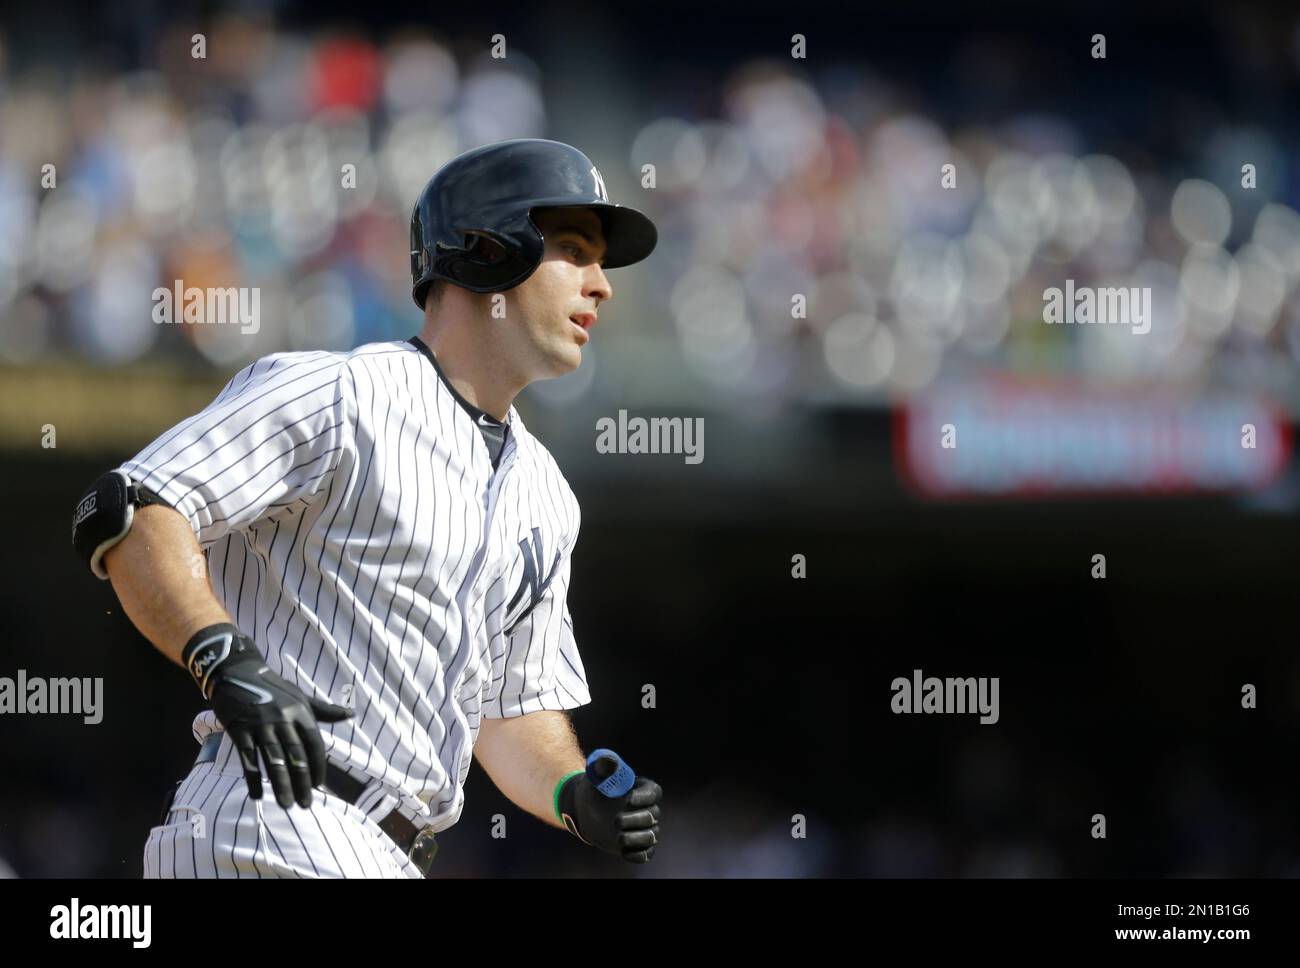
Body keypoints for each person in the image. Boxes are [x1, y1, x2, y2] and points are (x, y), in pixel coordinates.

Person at [71, 139, 663, 878]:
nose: (601, 285)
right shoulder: (342, 394)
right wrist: (221, 657)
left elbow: (511, 708)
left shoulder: (546, 494)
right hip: (271, 819)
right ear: (488, 251)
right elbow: (130, 506)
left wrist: (572, 792)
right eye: (574, 250)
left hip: (387, 849)